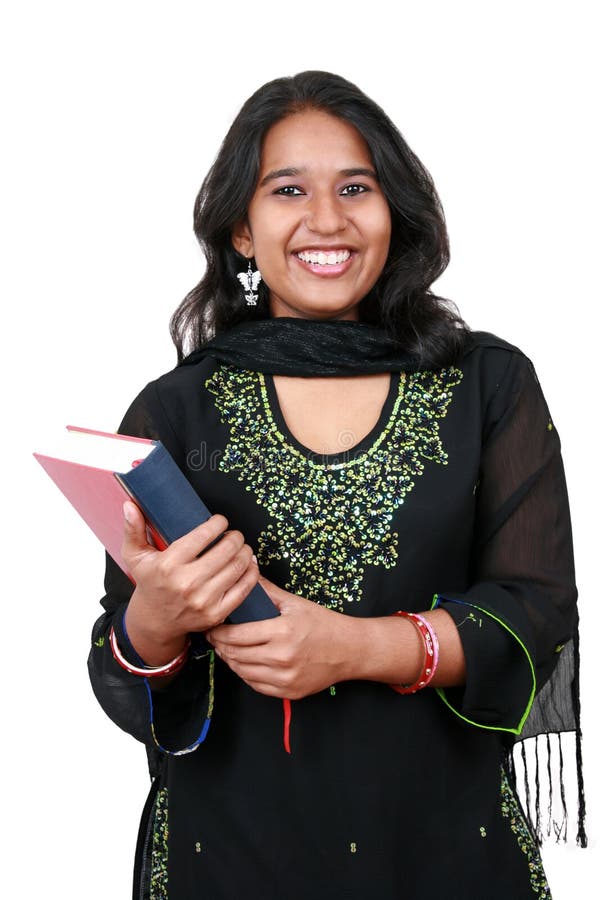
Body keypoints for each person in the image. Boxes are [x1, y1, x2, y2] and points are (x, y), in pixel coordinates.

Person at [88, 71, 584, 899]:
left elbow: (538, 611)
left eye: (357, 187)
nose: (327, 220)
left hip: (444, 851)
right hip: (230, 858)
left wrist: (355, 649)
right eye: (288, 190)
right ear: (242, 230)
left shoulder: (485, 385)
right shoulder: (174, 411)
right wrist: (157, 620)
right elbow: (121, 672)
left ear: (396, 212)